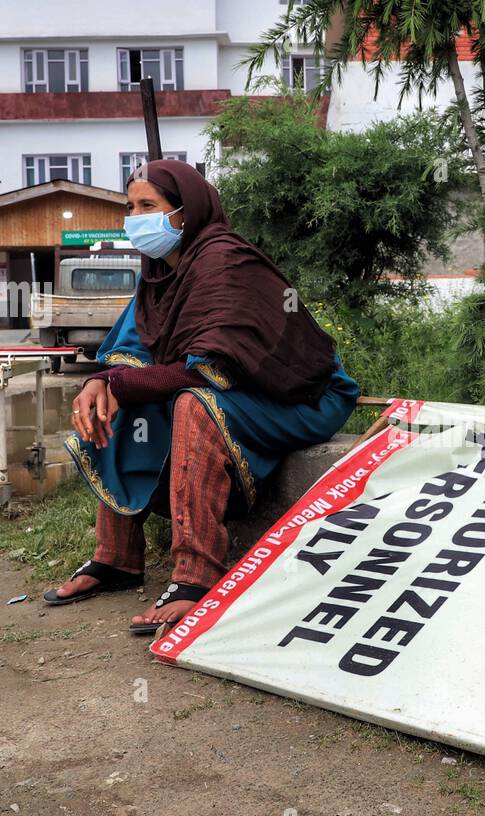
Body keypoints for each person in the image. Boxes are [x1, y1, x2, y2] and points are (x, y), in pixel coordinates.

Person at [44, 159, 359, 635]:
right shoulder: (158, 273)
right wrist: (97, 384)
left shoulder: (225, 261)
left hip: (303, 397)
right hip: (228, 387)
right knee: (116, 397)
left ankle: (197, 578)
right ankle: (116, 558)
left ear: (185, 212)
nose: (135, 219)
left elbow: (214, 367)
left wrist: (119, 385)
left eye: (148, 206)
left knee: (189, 402)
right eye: (130, 207)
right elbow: (127, 352)